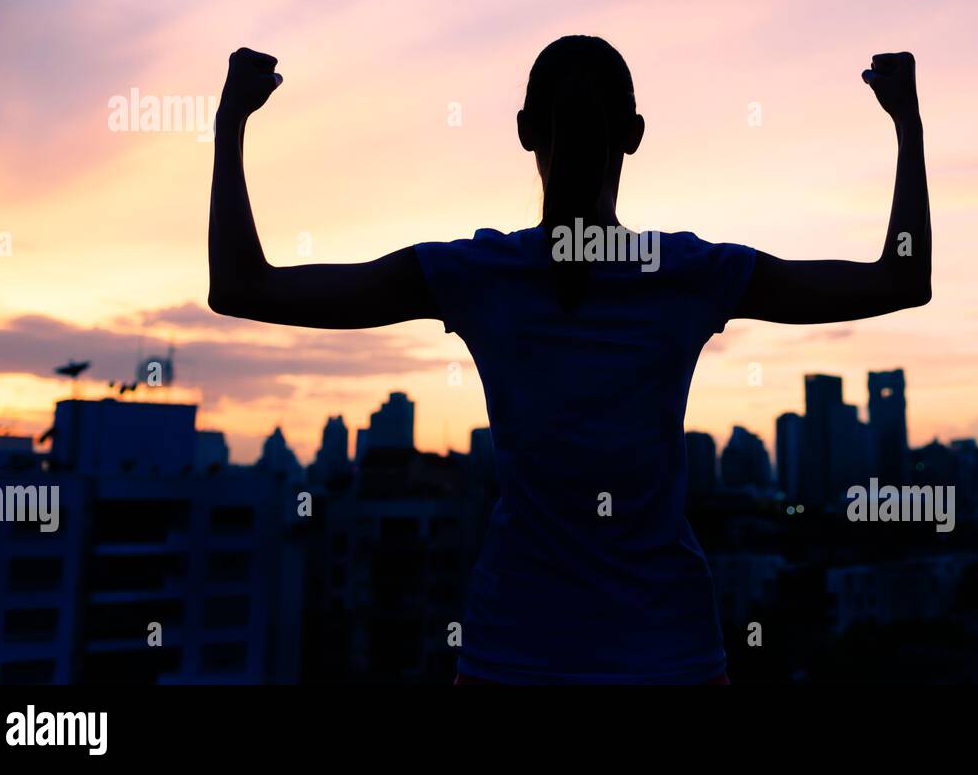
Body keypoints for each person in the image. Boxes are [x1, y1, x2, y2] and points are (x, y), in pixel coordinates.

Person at [208, 36, 931, 684]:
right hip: (666, 652)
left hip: (517, 651)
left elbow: (244, 287)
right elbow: (900, 279)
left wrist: (230, 122)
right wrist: (907, 121)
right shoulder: (687, 272)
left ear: (526, 133)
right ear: (636, 136)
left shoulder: (475, 274)